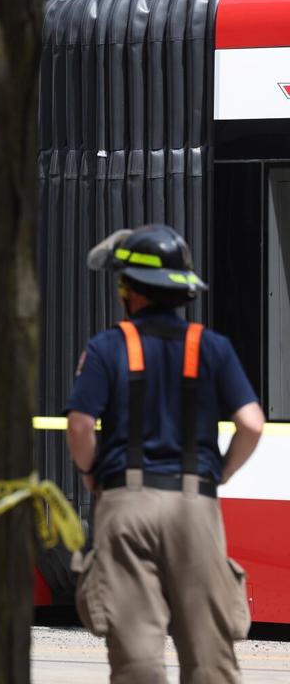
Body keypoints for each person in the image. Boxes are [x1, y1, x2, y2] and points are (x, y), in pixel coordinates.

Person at [66, 224, 265, 683]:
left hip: (126, 504)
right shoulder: (213, 347)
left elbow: (79, 425)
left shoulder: (107, 346)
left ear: (127, 288)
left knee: (137, 659)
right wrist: (220, 476)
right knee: (209, 657)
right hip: (195, 505)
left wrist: (91, 474)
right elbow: (251, 423)